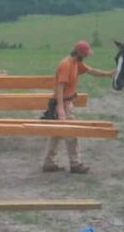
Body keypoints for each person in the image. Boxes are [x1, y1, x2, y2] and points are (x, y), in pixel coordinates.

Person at [42, 40, 115, 174]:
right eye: (86, 54)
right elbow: (60, 86)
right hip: (63, 103)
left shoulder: (77, 63)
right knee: (72, 134)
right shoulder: (66, 64)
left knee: (56, 134)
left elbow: (91, 71)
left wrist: (108, 74)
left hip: (66, 103)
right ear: (79, 52)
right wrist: (60, 108)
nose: (87, 56)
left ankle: (49, 163)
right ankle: (75, 164)